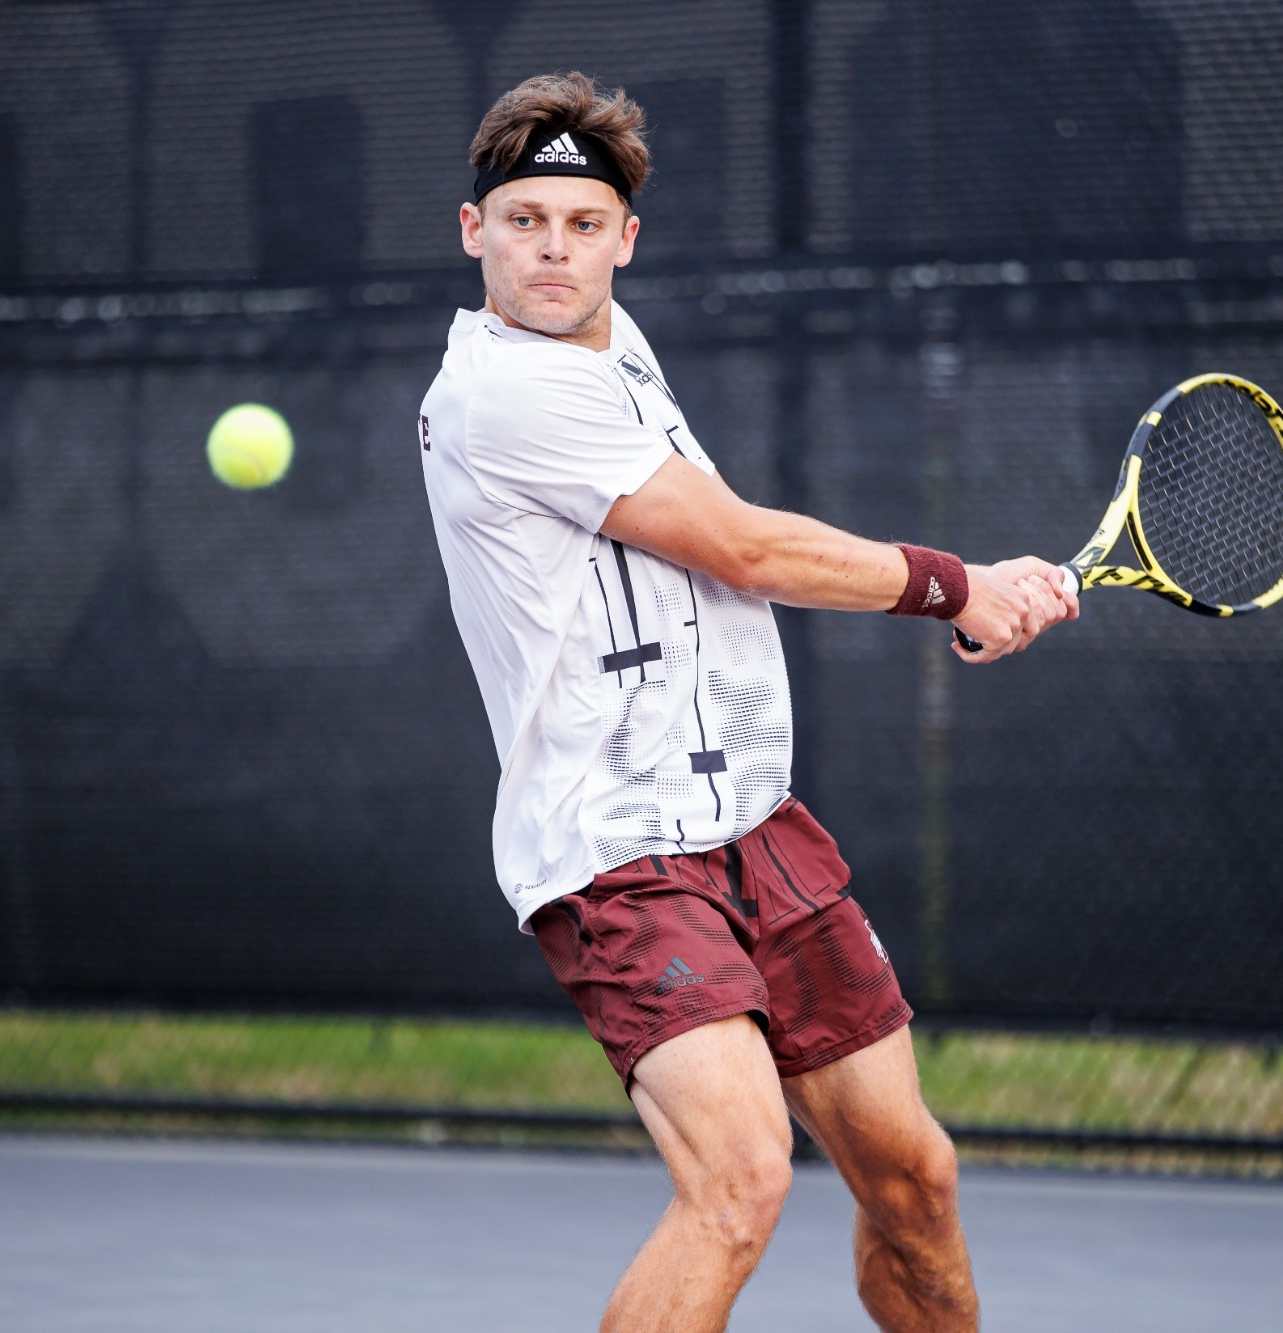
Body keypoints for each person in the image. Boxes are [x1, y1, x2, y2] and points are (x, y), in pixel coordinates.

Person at [417, 72, 1075, 1333]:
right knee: (738, 1181)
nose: (552, 250)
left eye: (581, 223)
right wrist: (957, 589)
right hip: (619, 851)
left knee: (912, 1177)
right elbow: (741, 549)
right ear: (471, 231)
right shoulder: (503, 388)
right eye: (522, 222)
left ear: (625, 240)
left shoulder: (615, 345)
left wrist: (996, 586)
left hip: (751, 825)